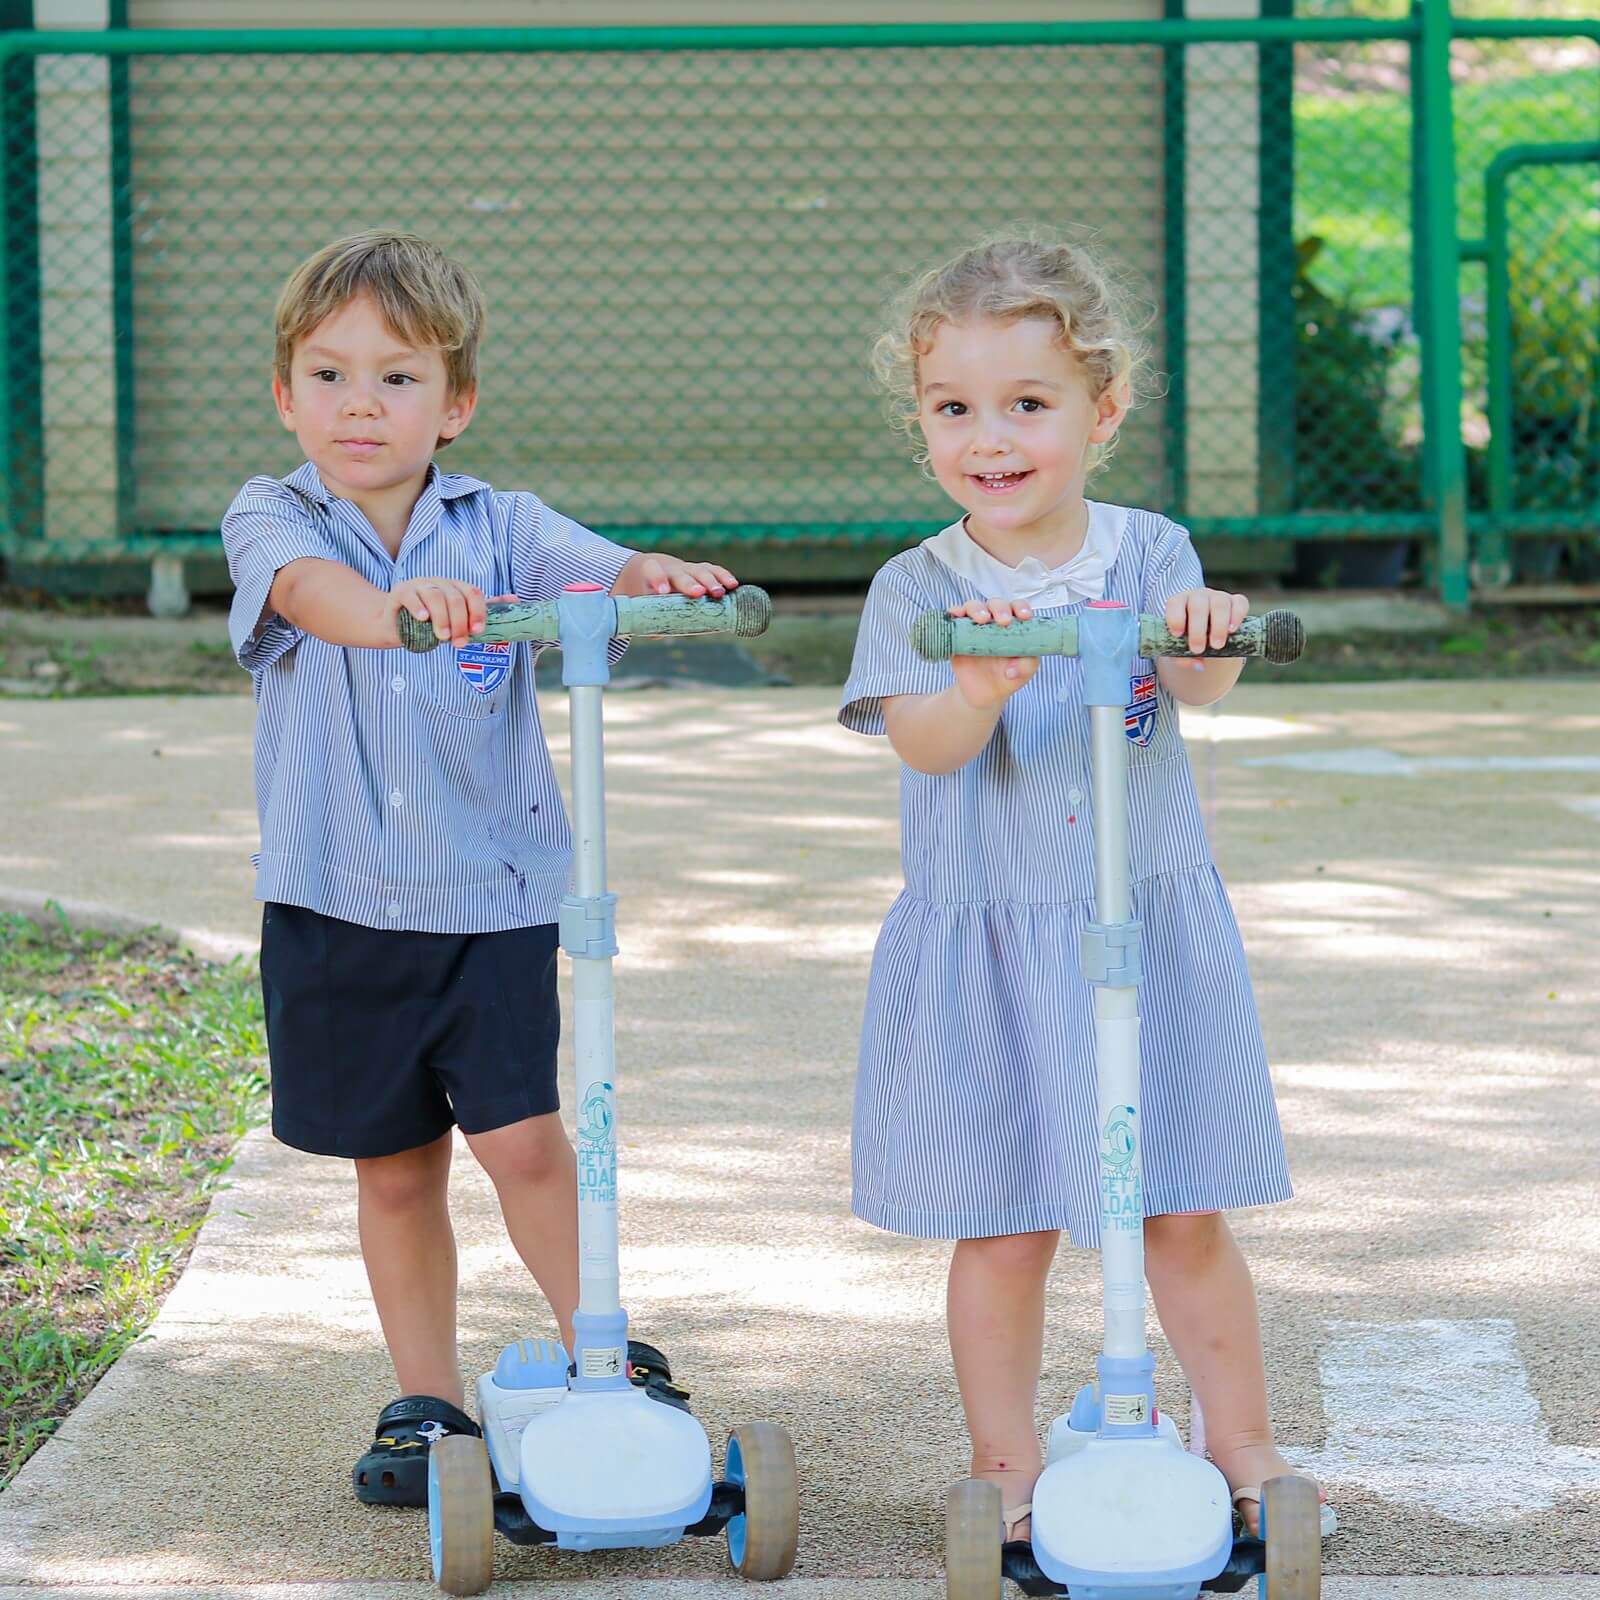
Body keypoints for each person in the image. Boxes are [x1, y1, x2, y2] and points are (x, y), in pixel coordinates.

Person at [221, 230, 729, 1506]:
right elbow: (314, 596)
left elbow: (599, 569)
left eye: (397, 378)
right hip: (335, 906)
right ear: (287, 394)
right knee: (393, 1167)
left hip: (490, 904)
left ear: (455, 403)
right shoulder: (273, 515)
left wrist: (646, 576)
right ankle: (426, 1400)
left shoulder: (499, 527)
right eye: (328, 375)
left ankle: (599, 1346)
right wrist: (402, 610)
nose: (359, 404)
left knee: (526, 1140)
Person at [838, 231, 1327, 1543]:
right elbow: (920, 742)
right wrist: (976, 690)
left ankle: (1244, 1444)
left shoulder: (1149, 550)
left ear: (1101, 414)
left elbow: (1199, 679)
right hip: (992, 942)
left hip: (1141, 929)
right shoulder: (918, 589)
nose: (989, 439)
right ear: (924, 423)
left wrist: (1203, 627)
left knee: (1180, 1210)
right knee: (1003, 1228)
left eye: (1028, 406)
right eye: (955, 410)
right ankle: (1004, 1467)